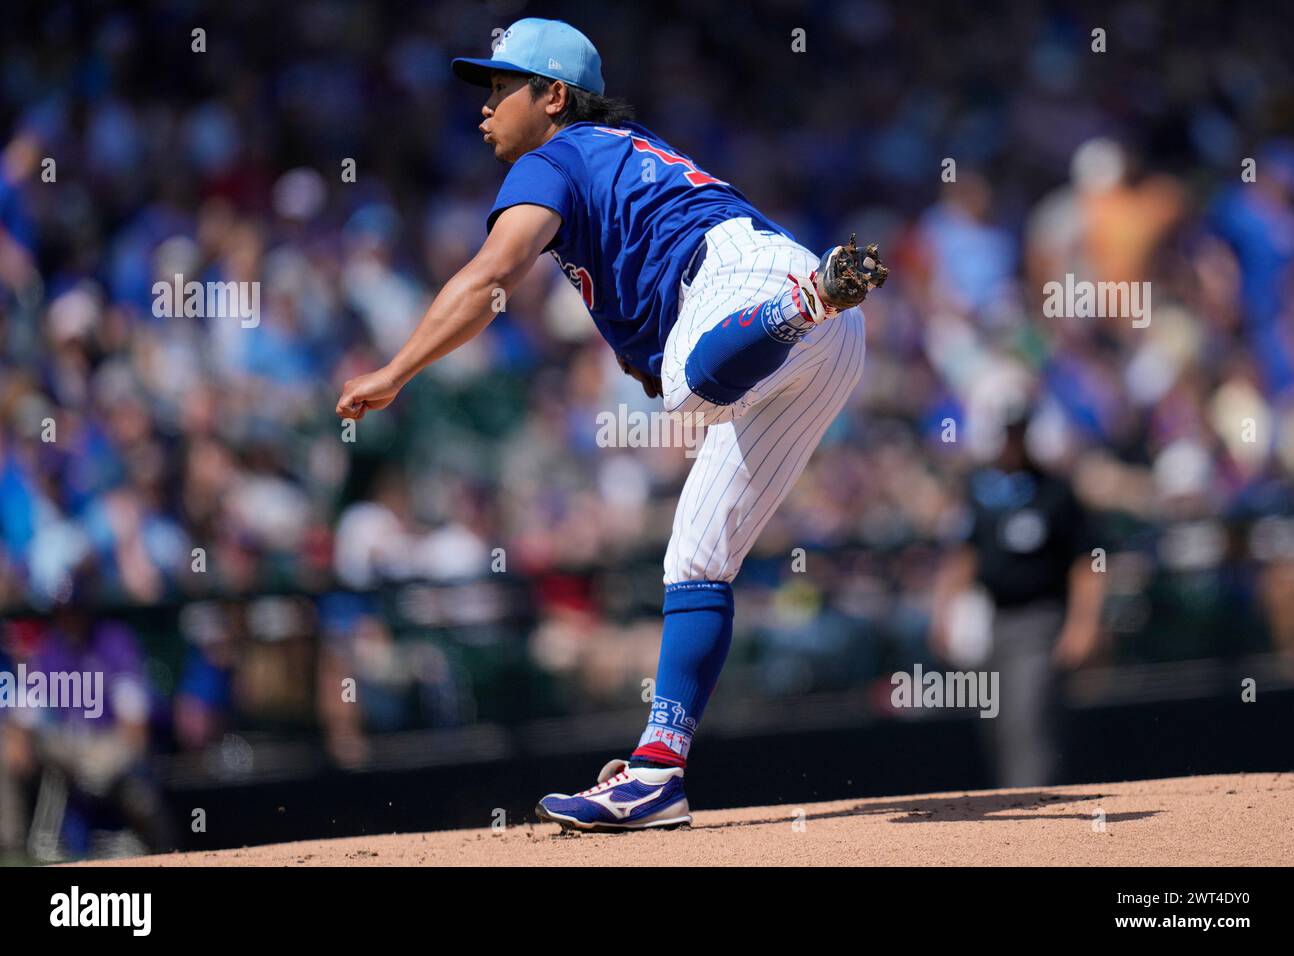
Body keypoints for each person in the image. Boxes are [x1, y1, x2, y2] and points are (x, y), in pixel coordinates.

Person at [335, 18, 887, 831]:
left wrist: (396, 369)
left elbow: (493, 275)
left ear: (554, 96)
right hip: (817, 334)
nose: (484, 110)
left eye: (500, 89)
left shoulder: (555, 156)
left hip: (757, 292)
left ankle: (806, 303)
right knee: (695, 553)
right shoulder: (614, 157)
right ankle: (659, 771)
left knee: (683, 389)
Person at [930, 409, 1104, 787]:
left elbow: (1087, 563)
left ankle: (1032, 805)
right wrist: (942, 614)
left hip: (1039, 623)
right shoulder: (981, 493)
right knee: (994, 722)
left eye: (1018, 433)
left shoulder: (1056, 493)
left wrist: (1083, 624)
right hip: (991, 623)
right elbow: (962, 556)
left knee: (1027, 718)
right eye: (1007, 433)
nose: (1012, 442)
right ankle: (1010, 803)